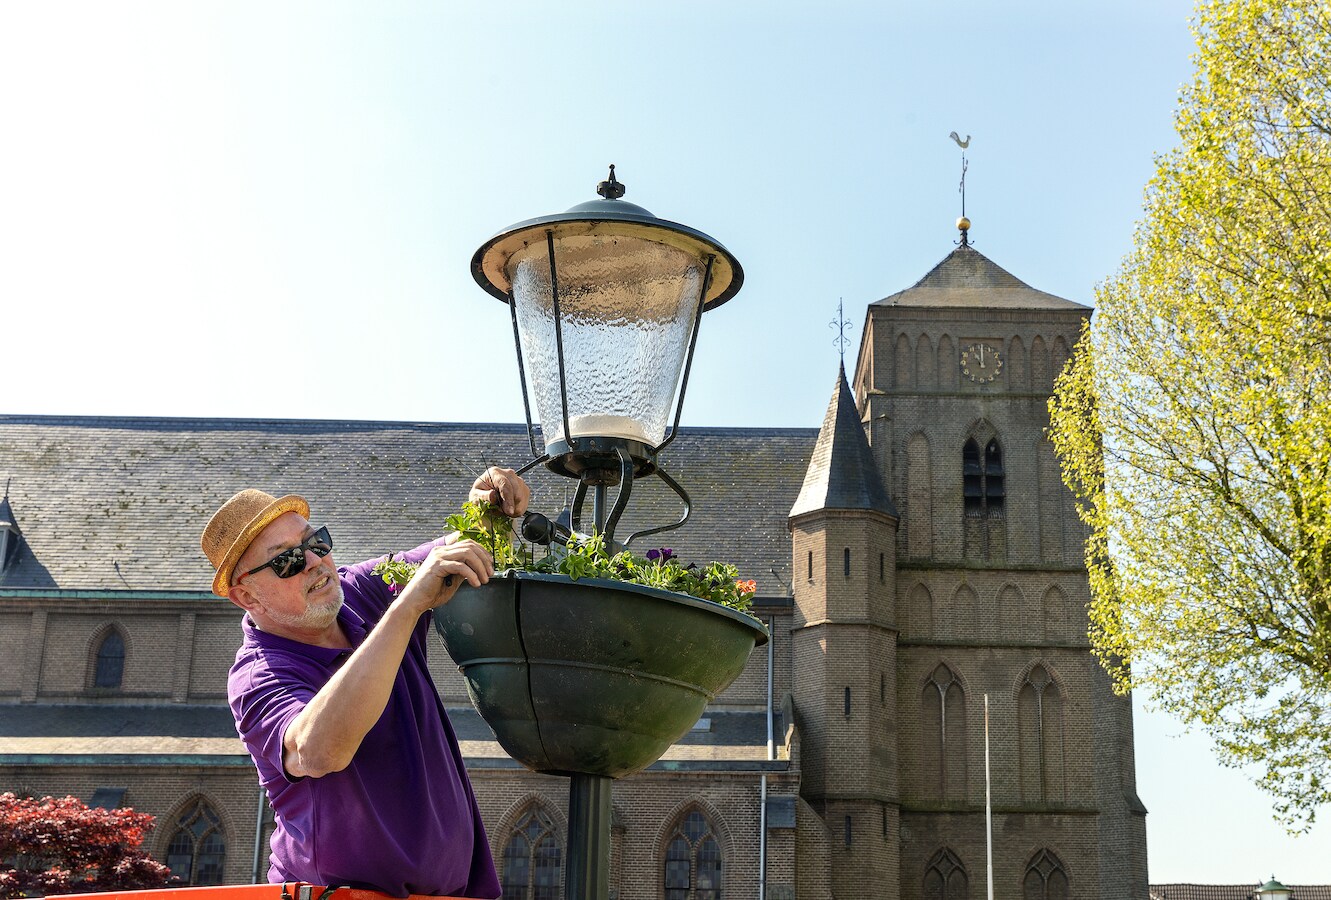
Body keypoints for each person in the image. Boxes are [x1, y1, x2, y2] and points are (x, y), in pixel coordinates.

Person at [200, 467, 531, 899]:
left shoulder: (358, 590)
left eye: (316, 543)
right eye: (286, 561)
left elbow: (459, 554)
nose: (315, 562)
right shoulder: (258, 676)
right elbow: (318, 751)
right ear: (246, 596)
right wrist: (407, 607)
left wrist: (487, 509)